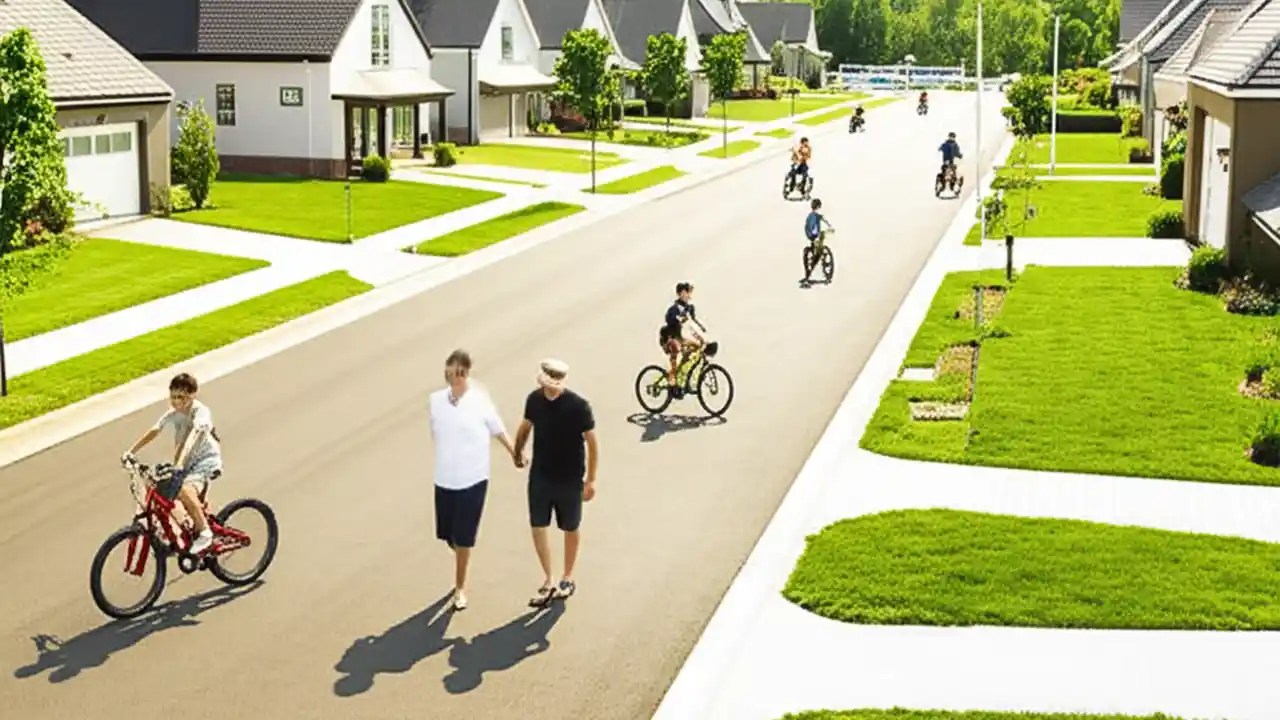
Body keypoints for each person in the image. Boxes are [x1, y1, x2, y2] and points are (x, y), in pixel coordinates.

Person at [428, 349, 519, 612]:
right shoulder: (435, 401)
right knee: (448, 536)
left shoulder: (480, 401)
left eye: (458, 372)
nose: (452, 377)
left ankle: (460, 588)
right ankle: (461, 555)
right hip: (445, 478)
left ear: (466, 374)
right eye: (449, 371)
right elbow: (435, 431)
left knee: (464, 538)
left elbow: (497, 428)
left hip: (474, 479)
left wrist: (515, 452)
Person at [512, 359, 598, 607]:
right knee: (538, 525)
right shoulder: (534, 400)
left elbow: (592, 444)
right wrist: (518, 452)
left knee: (570, 527)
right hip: (541, 475)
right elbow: (525, 427)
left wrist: (590, 480)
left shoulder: (579, 406)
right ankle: (548, 579)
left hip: (570, 478)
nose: (550, 387)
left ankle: (567, 578)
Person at [122, 373, 223, 555]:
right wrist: (131, 451)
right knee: (164, 494)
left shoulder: (201, 412)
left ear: (192, 395)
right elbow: (155, 430)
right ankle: (178, 534)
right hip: (185, 462)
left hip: (205, 461)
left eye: (181, 397)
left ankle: (205, 534)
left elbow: (194, 435)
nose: (176, 402)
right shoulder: (174, 413)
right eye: (173, 397)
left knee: (184, 490)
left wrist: (180, 462)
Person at [659, 281, 705, 392]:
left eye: (689, 292)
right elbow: (670, 319)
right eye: (687, 292)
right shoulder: (673, 309)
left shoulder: (689, 308)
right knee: (675, 349)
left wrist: (701, 333)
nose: (689, 295)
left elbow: (693, 323)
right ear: (680, 294)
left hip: (680, 338)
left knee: (697, 346)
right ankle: (672, 382)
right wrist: (679, 319)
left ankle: (680, 372)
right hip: (669, 337)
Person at [804, 198, 833, 283]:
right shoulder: (812, 216)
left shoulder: (816, 215)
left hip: (815, 234)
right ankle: (813, 264)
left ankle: (819, 258)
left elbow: (823, 219)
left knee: (820, 246)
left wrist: (829, 226)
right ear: (818, 207)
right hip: (813, 235)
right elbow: (810, 226)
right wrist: (814, 233)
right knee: (816, 249)